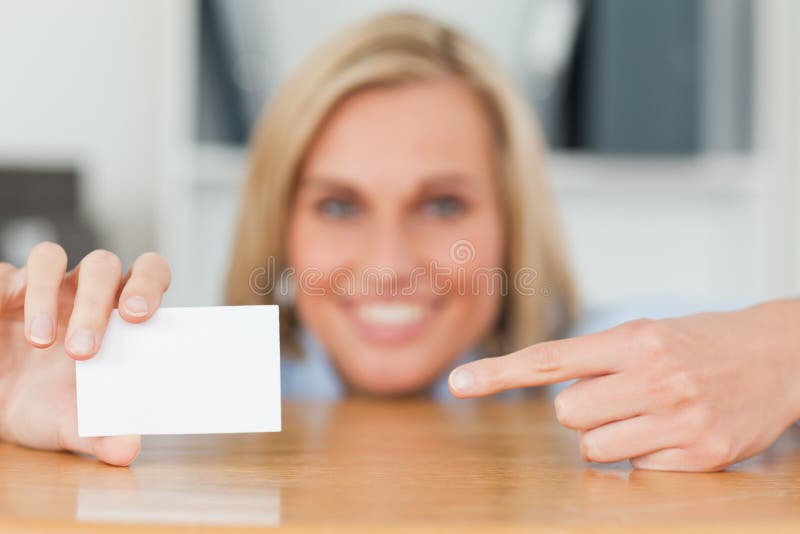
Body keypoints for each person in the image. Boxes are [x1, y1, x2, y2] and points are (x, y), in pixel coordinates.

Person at [0, 12, 797, 471]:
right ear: (280, 228)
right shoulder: (176, 388)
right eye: (339, 207)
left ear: (513, 224)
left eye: (444, 204)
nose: (388, 265)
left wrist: (781, 351)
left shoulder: (635, 356)